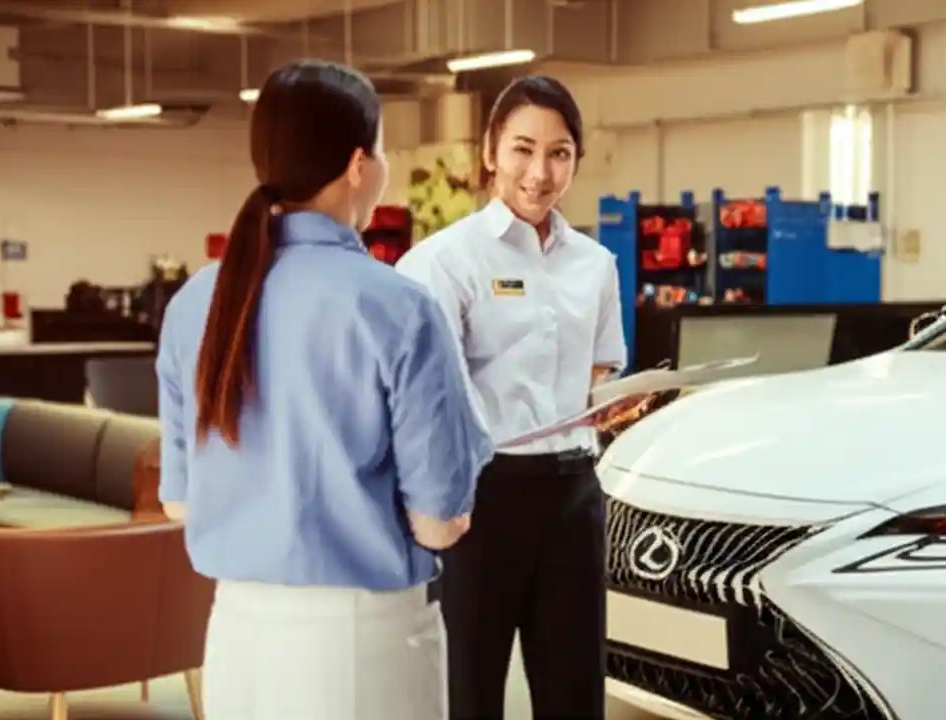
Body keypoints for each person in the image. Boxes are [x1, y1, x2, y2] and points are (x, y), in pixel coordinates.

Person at [155, 59, 493, 720]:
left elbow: (179, 502)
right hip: (359, 642)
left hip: (235, 636)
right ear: (359, 165)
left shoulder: (196, 303)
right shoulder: (397, 307)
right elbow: (439, 522)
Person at [395, 75, 631, 719]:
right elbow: (427, 399)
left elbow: (601, 372)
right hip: (478, 500)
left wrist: (624, 402)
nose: (540, 172)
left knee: (574, 695)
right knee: (468, 694)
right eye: (523, 149)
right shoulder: (443, 262)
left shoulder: (596, 264)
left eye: (559, 153)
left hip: (573, 497)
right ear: (491, 152)